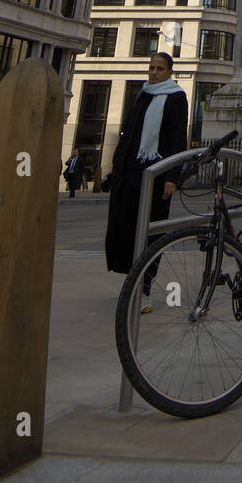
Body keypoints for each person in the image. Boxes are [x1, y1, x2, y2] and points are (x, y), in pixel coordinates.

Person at [105, 54, 188, 307]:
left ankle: (145, 287)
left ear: (169, 71)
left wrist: (172, 177)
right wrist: (116, 168)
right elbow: (129, 132)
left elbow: (177, 139)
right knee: (127, 227)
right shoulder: (142, 94)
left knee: (150, 231)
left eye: (159, 69)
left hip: (157, 174)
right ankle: (132, 281)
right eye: (151, 68)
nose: (153, 73)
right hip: (131, 172)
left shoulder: (176, 97)